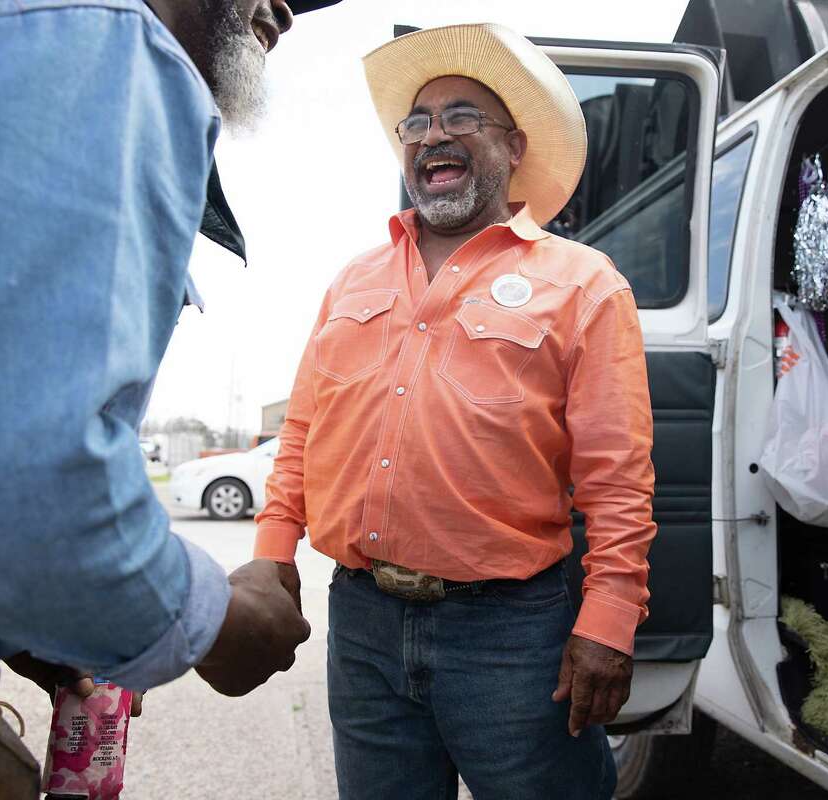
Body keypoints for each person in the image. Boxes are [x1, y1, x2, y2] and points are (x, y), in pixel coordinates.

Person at [0, 0, 337, 796]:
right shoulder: (89, 28)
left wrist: (37, 616)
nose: (284, 12)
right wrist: (216, 624)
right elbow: (17, 470)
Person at [255, 23, 657, 800]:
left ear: (513, 147)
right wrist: (275, 547)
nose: (433, 134)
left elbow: (617, 476)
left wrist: (609, 618)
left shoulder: (583, 283)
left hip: (512, 635)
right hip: (363, 620)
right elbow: (304, 426)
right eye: (418, 123)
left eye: (462, 117)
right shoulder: (353, 280)